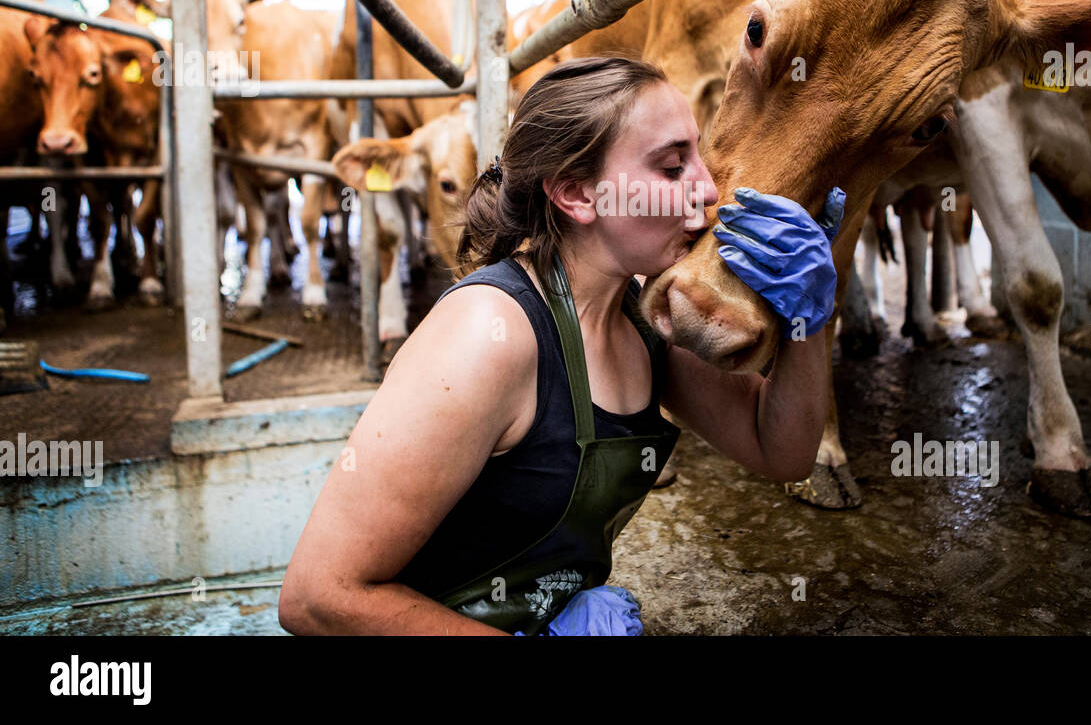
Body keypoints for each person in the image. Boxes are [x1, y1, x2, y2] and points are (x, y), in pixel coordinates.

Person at [278, 56, 845, 635]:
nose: (707, 187)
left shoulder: (643, 321)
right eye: (674, 167)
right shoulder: (487, 335)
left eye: (698, 156)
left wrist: (808, 318)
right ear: (577, 195)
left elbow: (781, 452)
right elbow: (318, 597)